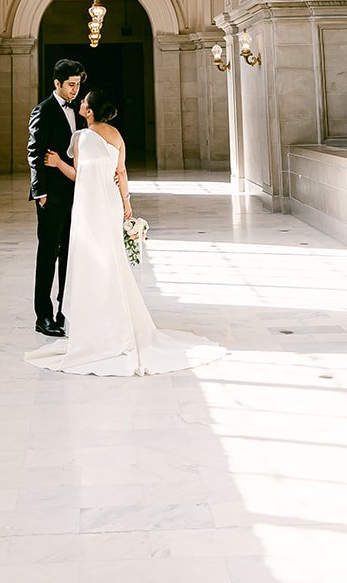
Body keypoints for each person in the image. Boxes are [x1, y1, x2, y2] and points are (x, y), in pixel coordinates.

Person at [25, 89, 227, 377]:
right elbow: (121, 172)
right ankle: (117, 317)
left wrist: (58, 163)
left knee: (90, 259)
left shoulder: (81, 137)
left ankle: (93, 321)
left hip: (89, 206)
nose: (80, 102)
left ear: (90, 111)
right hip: (109, 204)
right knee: (112, 258)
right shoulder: (117, 136)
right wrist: (126, 205)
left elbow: (79, 175)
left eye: (84, 102)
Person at [27, 57, 86, 336]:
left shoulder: (77, 112)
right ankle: (43, 316)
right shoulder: (43, 110)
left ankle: (65, 310)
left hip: (75, 192)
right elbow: (34, 153)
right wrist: (40, 192)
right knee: (48, 254)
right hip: (51, 196)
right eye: (71, 85)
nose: (75, 90)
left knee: (69, 254)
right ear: (57, 84)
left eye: (77, 85)